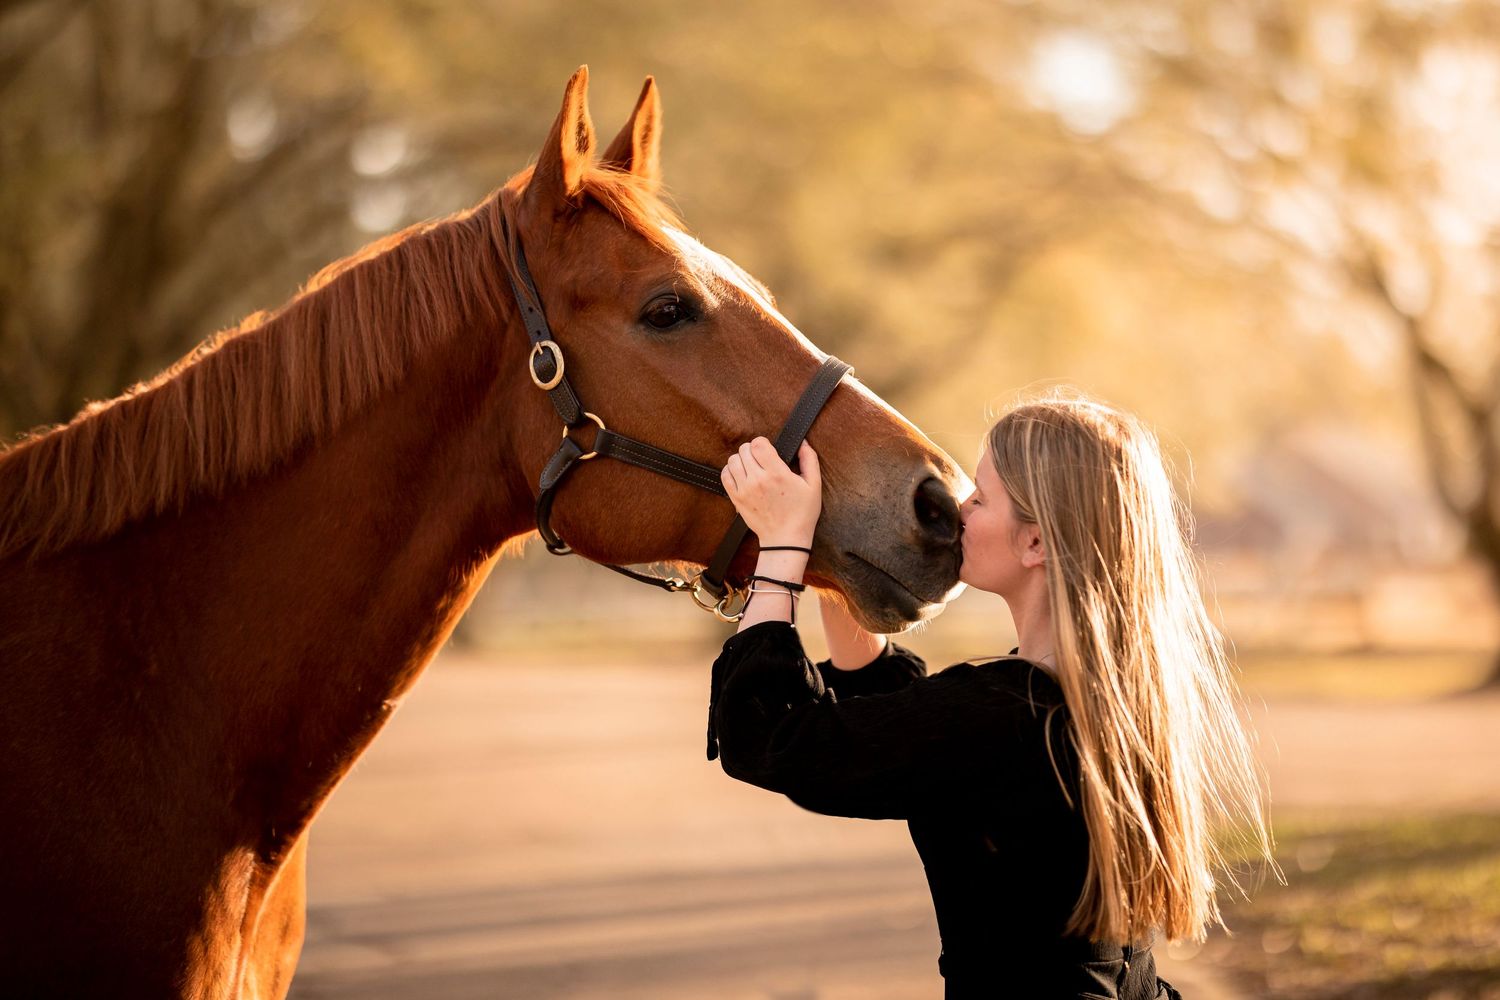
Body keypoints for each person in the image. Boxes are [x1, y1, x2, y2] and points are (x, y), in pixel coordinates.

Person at [708, 389, 1277, 999]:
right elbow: (907, 729)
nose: (959, 510)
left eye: (980, 498)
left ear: (1035, 543)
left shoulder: (1005, 715)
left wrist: (784, 547)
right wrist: (839, 555)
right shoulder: (1096, 702)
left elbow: (774, 738)